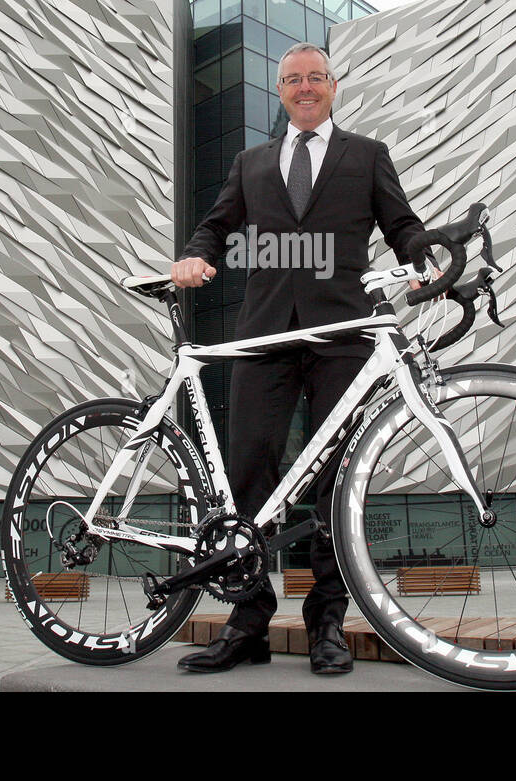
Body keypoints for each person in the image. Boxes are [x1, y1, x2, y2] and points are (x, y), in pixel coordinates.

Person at [170, 42, 427, 675]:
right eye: (292, 80)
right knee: (246, 476)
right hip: (264, 337)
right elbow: (216, 224)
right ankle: (248, 621)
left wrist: (424, 259)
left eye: (315, 78)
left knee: (334, 481)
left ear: (333, 86)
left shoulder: (366, 155)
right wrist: (195, 254)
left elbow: (402, 225)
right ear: (279, 91)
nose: (304, 88)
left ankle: (326, 622)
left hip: (343, 335)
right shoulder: (250, 161)